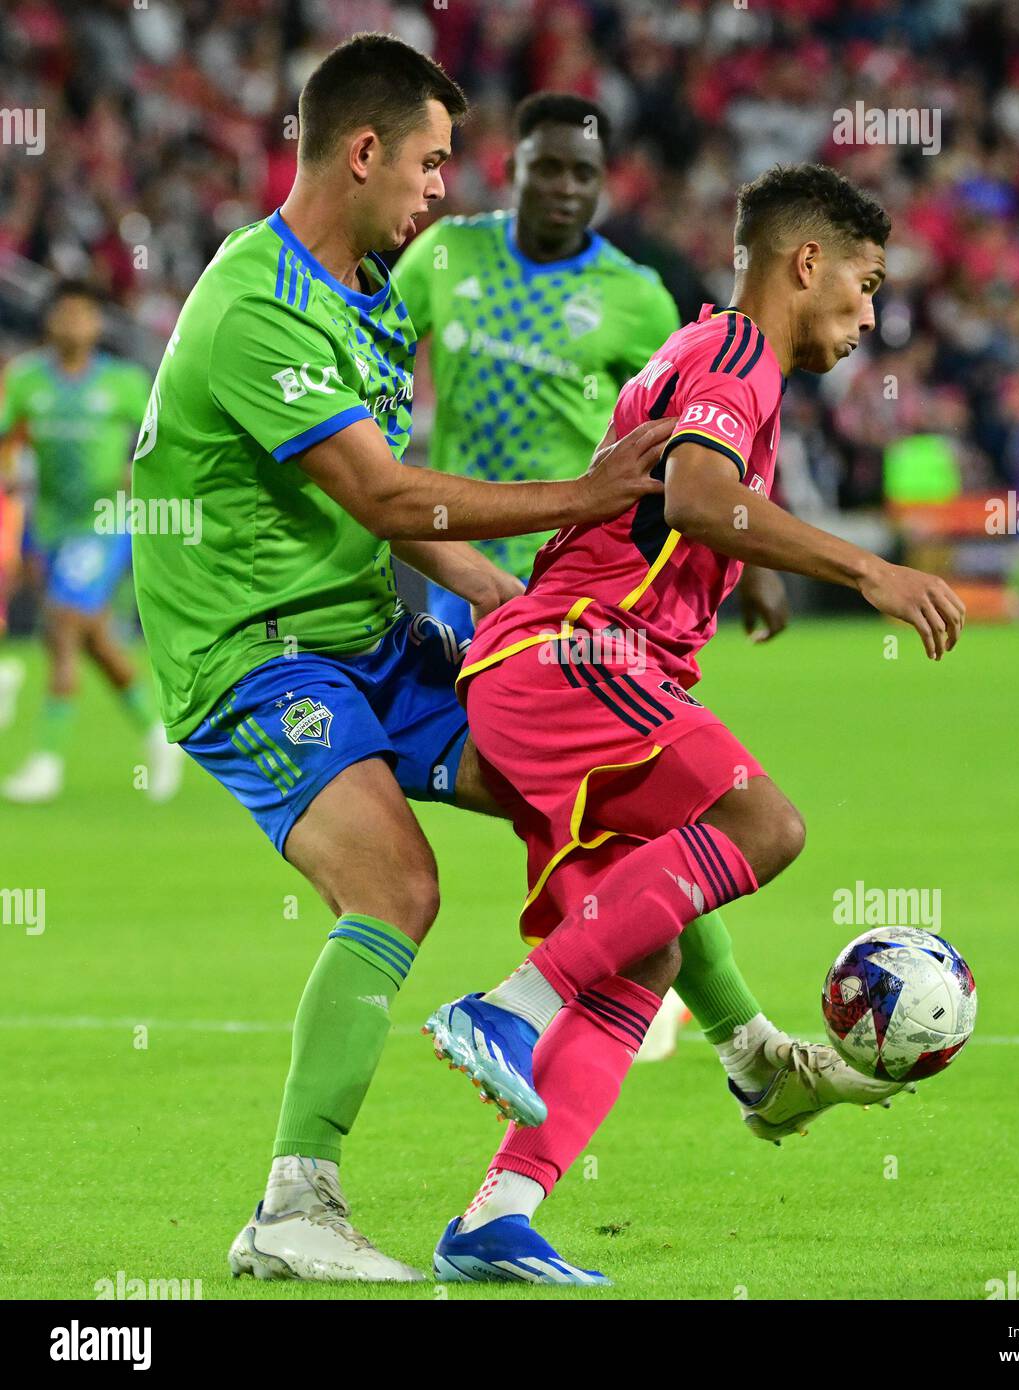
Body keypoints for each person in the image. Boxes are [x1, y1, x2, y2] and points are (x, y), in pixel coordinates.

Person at [130, 31, 665, 1284]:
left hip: (360, 635)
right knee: (396, 886)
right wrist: (577, 500)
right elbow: (378, 495)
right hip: (251, 656)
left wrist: (499, 590)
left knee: (594, 777)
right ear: (361, 151)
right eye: (429, 163)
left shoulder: (362, 290)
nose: (441, 189)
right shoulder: (261, 304)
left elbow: (376, 515)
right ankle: (291, 1203)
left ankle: (728, 1048)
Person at [426, 163, 966, 1285]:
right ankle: (509, 1007)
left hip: (580, 668)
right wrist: (864, 569)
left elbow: (704, 506)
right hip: (573, 654)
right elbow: (693, 497)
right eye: (863, 285)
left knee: (647, 948)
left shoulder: (720, 366)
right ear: (802, 263)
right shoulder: (732, 357)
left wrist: (745, 570)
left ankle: (497, 1212)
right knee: (764, 824)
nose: (869, 316)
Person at [397, 88, 792, 1066]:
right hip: (453, 559)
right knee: (620, 804)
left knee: (625, 800)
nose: (565, 186)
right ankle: (672, 999)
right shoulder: (443, 256)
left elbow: (698, 447)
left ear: (602, 182)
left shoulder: (637, 297)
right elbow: (377, 363)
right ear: (512, 167)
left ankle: (664, 997)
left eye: (582, 170)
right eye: (547, 166)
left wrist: (746, 557)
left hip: (579, 591)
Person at [0, 281, 180, 802]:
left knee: (59, 626)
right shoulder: (26, 379)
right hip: (50, 524)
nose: (75, 324)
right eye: (65, 314)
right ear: (49, 322)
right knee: (94, 640)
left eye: (84, 314)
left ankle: (46, 763)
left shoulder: (123, 382)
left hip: (107, 520)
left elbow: (163, 437)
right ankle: (157, 733)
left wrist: (136, 472)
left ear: (98, 324)